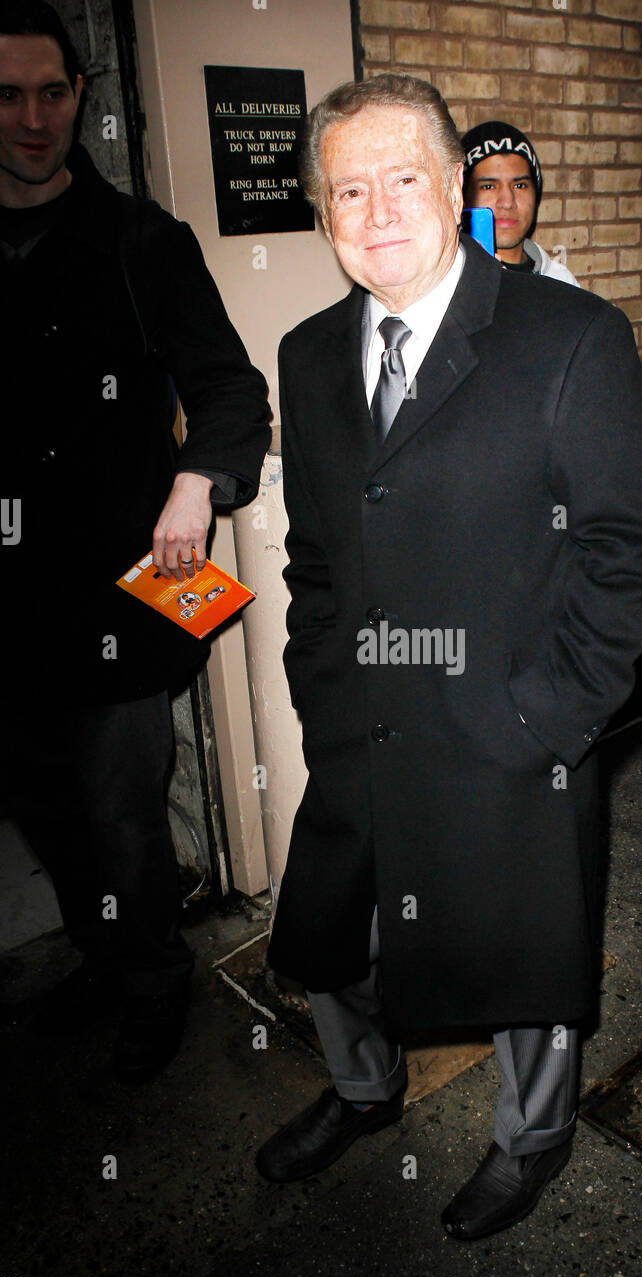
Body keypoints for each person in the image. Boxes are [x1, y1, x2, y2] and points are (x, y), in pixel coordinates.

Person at [255, 73, 642, 1241]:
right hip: (361, 731)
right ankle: (361, 1090)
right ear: (323, 214)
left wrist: (544, 721)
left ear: (455, 190)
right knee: (327, 936)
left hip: (510, 745)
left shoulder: (571, 340)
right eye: (350, 189)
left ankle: (532, 1139)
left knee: (523, 967)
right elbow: (319, 558)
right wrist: (316, 683)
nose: (380, 209)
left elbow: (632, 556)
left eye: (405, 179)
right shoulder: (306, 353)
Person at [0, 2, 271, 1082]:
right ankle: (105, 957)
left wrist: (196, 483)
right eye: (8, 94)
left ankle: (154, 981)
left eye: (52, 92)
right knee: (47, 816)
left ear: (82, 97)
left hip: (121, 594)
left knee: (123, 821)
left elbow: (230, 388)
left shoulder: (141, 243)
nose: (32, 118)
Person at [461, 119, 577, 284]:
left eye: (520, 185)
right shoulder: (449, 284)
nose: (507, 202)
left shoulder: (562, 281)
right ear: (461, 197)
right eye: (488, 186)